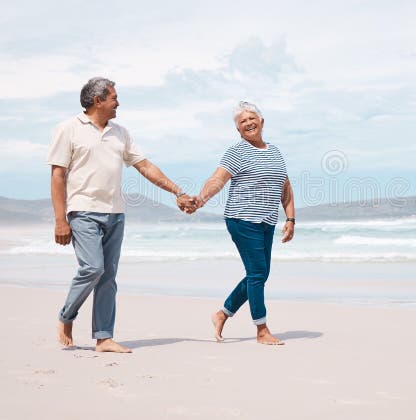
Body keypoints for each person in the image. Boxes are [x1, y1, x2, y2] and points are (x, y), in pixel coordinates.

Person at [47, 77, 192, 353]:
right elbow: (57, 175)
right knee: (93, 268)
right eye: (114, 97)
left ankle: (104, 337)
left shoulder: (120, 133)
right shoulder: (68, 129)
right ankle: (67, 315)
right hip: (83, 211)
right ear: (97, 100)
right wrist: (59, 219)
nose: (118, 102)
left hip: (115, 213)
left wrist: (177, 191)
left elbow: (145, 166)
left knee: (108, 277)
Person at [188, 101, 295, 345]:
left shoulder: (275, 152)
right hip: (242, 219)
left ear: (262, 122)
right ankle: (262, 330)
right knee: (257, 273)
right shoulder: (236, 152)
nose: (248, 123)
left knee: (259, 274)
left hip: (266, 221)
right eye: (242, 121)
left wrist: (290, 218)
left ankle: (222, 314)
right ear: (238, 130)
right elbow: (218, 179)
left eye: (252, 118)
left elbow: (285, 187)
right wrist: (200, 200)